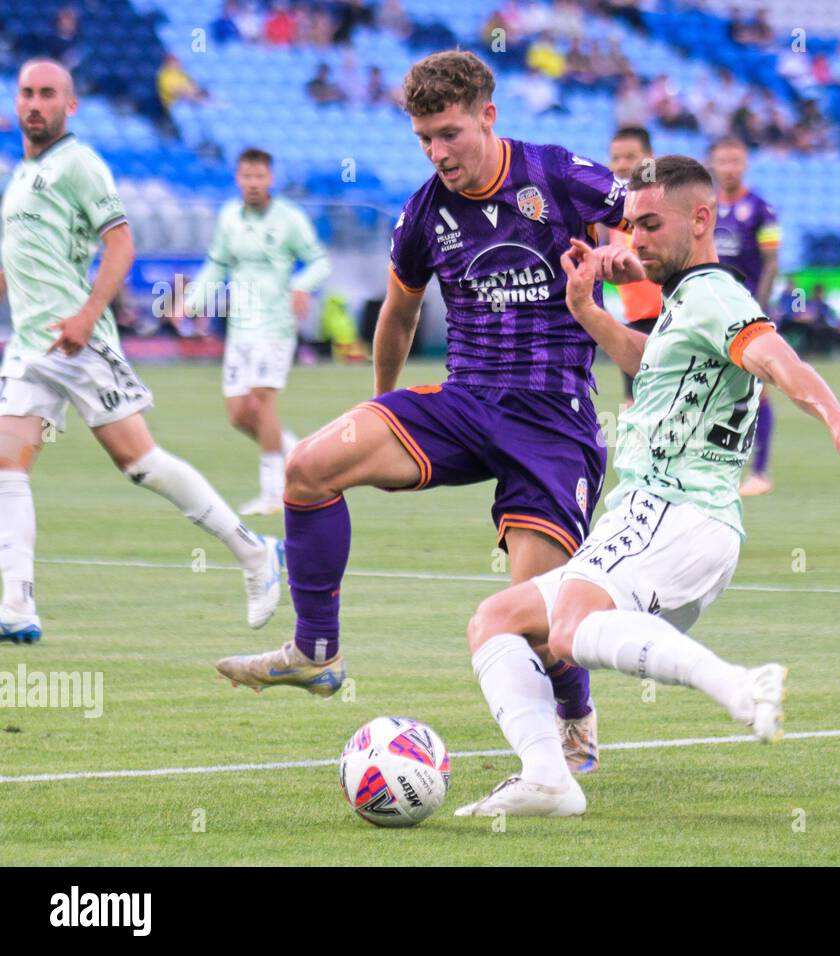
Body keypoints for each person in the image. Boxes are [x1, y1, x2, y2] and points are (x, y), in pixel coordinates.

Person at [214, 51, 631, 775]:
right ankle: (317, 651)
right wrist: (379, 407)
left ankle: (575, 715)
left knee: (537, 623)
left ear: (487, 117)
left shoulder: (557, 171)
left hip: (553, 421)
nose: (439, 153)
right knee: (310, 465)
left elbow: (643, 219)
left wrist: (622, 248)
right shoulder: (424, 213)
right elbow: (399, 317)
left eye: (449, 134)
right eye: (424, 140)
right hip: (465, 400)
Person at [453, 156, 840, 816]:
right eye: (630, 227)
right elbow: (651, 361)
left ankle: (742, 686)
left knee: (569, 632)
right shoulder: (686, 302)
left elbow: (776, 356)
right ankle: (547, 777)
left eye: (652, 224)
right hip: (673, 522)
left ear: (703, 219)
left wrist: (838, 418)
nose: (637, 241)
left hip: (672, 510)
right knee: (497, 621)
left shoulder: (717, 296)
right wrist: (588, 311)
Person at [0, 60, 282, 643]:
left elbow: (121, 245)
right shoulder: (20, 176)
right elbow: (15, 266)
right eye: (26, 92)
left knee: (141, 464)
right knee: (6, 465)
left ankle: (253, 552)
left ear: (70, 105)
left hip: (78, 343)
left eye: (48, 94)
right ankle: (17, 607)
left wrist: (85, 316)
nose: (35, 103)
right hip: (31, 347)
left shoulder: (79, 164)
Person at [184, 148, 331, 514]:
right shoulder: (229, 217)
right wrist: (190, 301)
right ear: (238, 178)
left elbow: (320, 262)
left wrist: (301, 286)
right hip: (241, 325)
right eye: (247, 177)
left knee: (263, 403)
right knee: (239, 413)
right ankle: (299, 454)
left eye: (259, 177)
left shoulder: (290, 219)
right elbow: (217, 265)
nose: (253, 183)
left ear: (271, 179)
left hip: (276, 325)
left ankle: (272, 493)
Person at [708, 136, 781, 496]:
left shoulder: (761, 210)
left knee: (758, 390)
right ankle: (716, 466)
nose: (729, 168)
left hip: (746, 311)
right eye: (723, 161)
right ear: (712, 164)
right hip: (709, 312)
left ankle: (761, 472)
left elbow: (771, 263)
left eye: (735, 161)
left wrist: (758, 307)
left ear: (745, 163)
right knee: (712, 390)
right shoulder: (704, 207)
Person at [603, 127, 661, 407]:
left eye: (631, 156)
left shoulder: (664, 205)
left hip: (670, 319)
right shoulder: (615, 211)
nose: (623, 165)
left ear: (650, 160)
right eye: (616, 158)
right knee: (633, 405)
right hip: (634, 322)